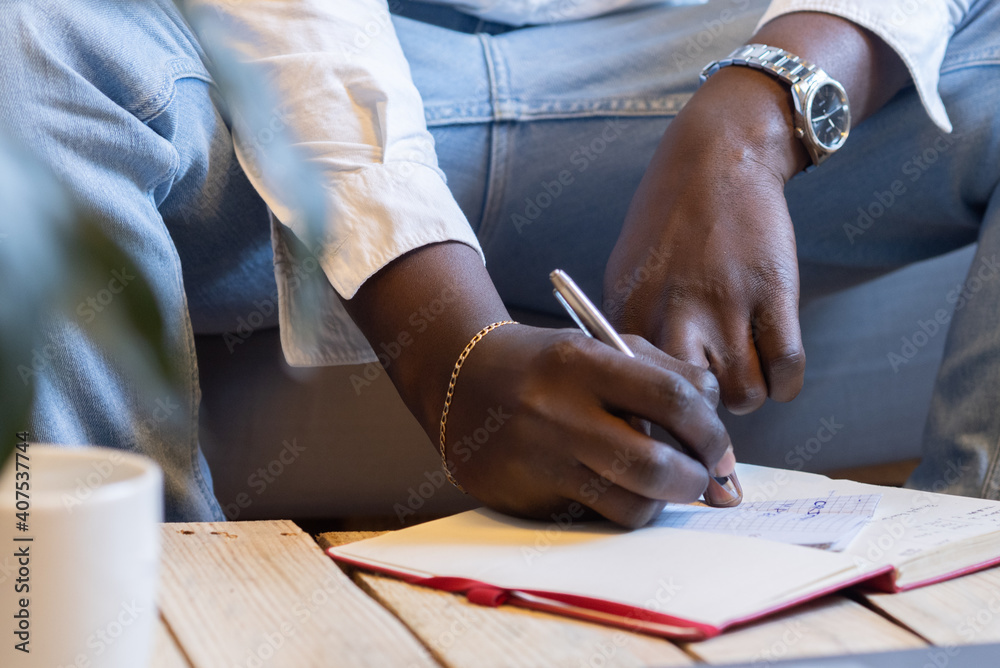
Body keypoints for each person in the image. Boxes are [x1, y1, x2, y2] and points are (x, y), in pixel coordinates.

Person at [1, 0, 997, 525]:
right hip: (259, 65)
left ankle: (967, 596)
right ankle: (131, 614)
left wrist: (765, 106)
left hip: (704, 44)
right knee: (28, 43)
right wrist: (451, 355)